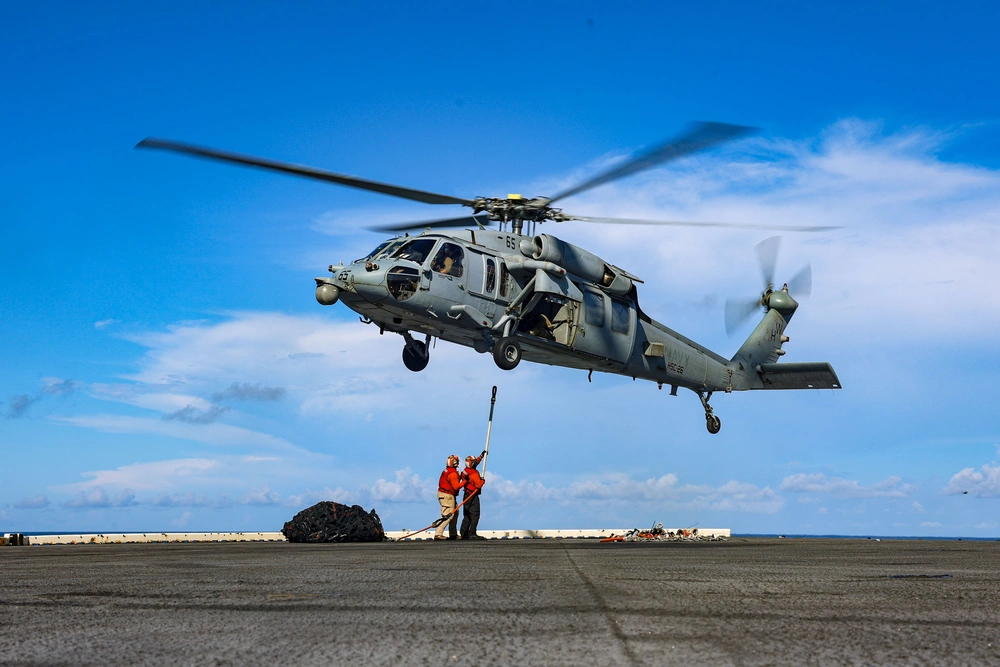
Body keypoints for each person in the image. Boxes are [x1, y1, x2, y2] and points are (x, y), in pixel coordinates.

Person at [435, 455, 462, 540]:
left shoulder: (447, 471)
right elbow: (456, 486)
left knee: (455, 513)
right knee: (448, 515)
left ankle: (453, 533)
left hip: (446, 494)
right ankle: (438, 534)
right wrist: (465, 481)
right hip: (447, 496)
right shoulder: (452, 473)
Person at [460, 452, 486, 540]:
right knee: (475, 515)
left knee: (467, 515)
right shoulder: (474, 474)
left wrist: (481, 456)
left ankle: (464, 533)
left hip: (466, 495)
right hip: (472, 496)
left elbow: (475, 463)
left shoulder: (465, 471)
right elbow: (478, 485)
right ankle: (472, 533)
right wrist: (482, 480)